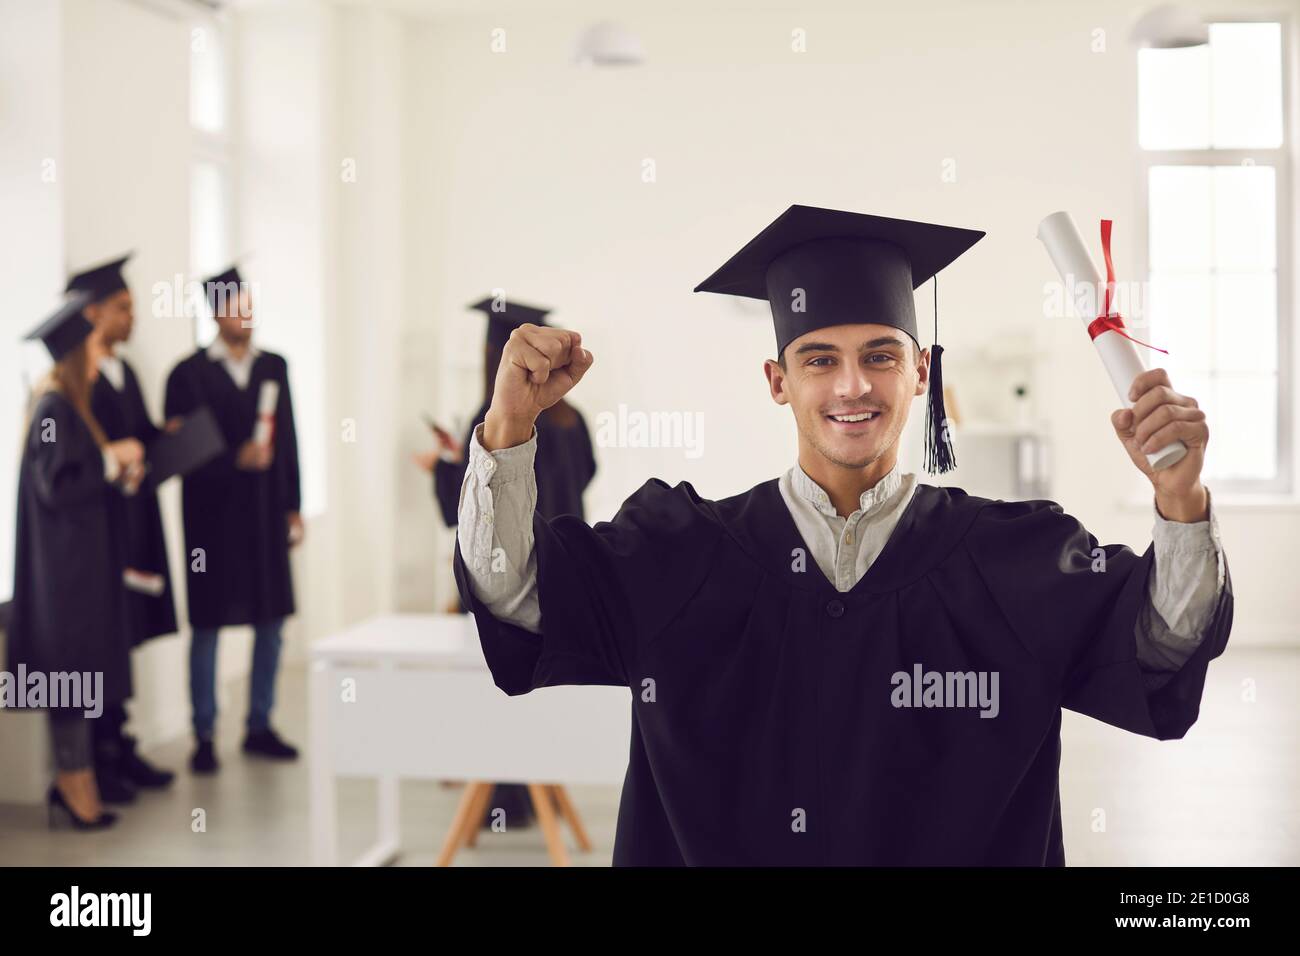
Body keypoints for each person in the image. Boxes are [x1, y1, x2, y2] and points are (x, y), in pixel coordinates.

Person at [451, 205, 1233, 865]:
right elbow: (517, 597)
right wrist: (509, 428)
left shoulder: (1013, 561)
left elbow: (1160, 644)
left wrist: (1180, 497)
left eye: (880, 356)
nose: (852, 385)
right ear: (778, 381)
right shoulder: (679, 553)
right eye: (819, 359)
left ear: (921, 373)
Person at [415, 296, 597, 829]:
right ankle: (531, 787)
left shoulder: (496, 418)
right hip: (568, 565)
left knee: (505, 675)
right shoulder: (573, 419)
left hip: (514, 568)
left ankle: (507, 795)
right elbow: (586, 474)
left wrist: (443, 467)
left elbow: (473, 508)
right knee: (545, 679)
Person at [8, 293, 145, 830]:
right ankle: (72, 783)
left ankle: (78, 780)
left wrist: (118, 472)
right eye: (88, 351)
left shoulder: (72, 408)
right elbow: (57, 486)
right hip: (61, 576)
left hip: (80, 570)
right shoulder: (51, 409)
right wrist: (112, 463)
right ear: (71, 358)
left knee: (83, 676)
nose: (97, 361)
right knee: (69, 678)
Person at [163, 265, 302, 774]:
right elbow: (180, 453)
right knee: (207, 626)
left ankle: (259, 725)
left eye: (249, 304)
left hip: (265, 514)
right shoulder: (187, 375)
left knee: (271, 622)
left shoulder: (275, 367)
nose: (246, 313)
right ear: (216, 312)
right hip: (212, 521)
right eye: (236, 306)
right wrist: (232, 460)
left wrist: (294, 505)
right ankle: (204, 733)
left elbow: (287, 439)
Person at [65, 254, 178, 800]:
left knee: (126, 632)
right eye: (123, 308)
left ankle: (120, 741)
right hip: (94, 532)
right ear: (92, 314)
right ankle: (100, 754)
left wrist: (165, 437)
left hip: (133, 520)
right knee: (99, 637)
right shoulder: (73, 385)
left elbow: (136, 434)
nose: (133, 318)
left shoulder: (123, 371)